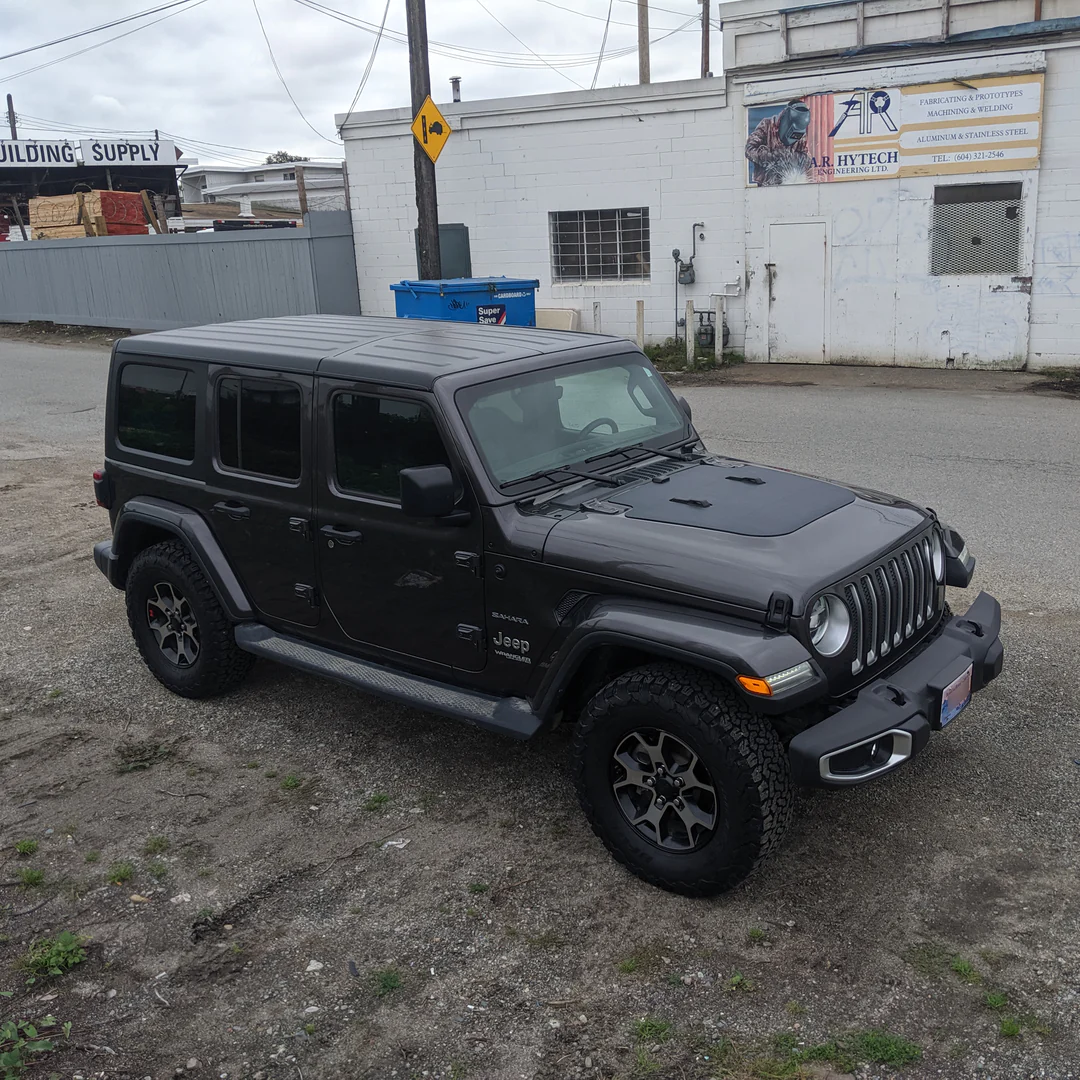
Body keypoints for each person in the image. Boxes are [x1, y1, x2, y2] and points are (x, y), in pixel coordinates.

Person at [745, 100, 812, 186]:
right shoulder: (766, 125)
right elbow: (749, 149)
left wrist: (791, 157)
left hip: (789, 184)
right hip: (766, 185)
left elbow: (807, 159)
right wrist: (769, 157)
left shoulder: (801, 135)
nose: (794, 137)